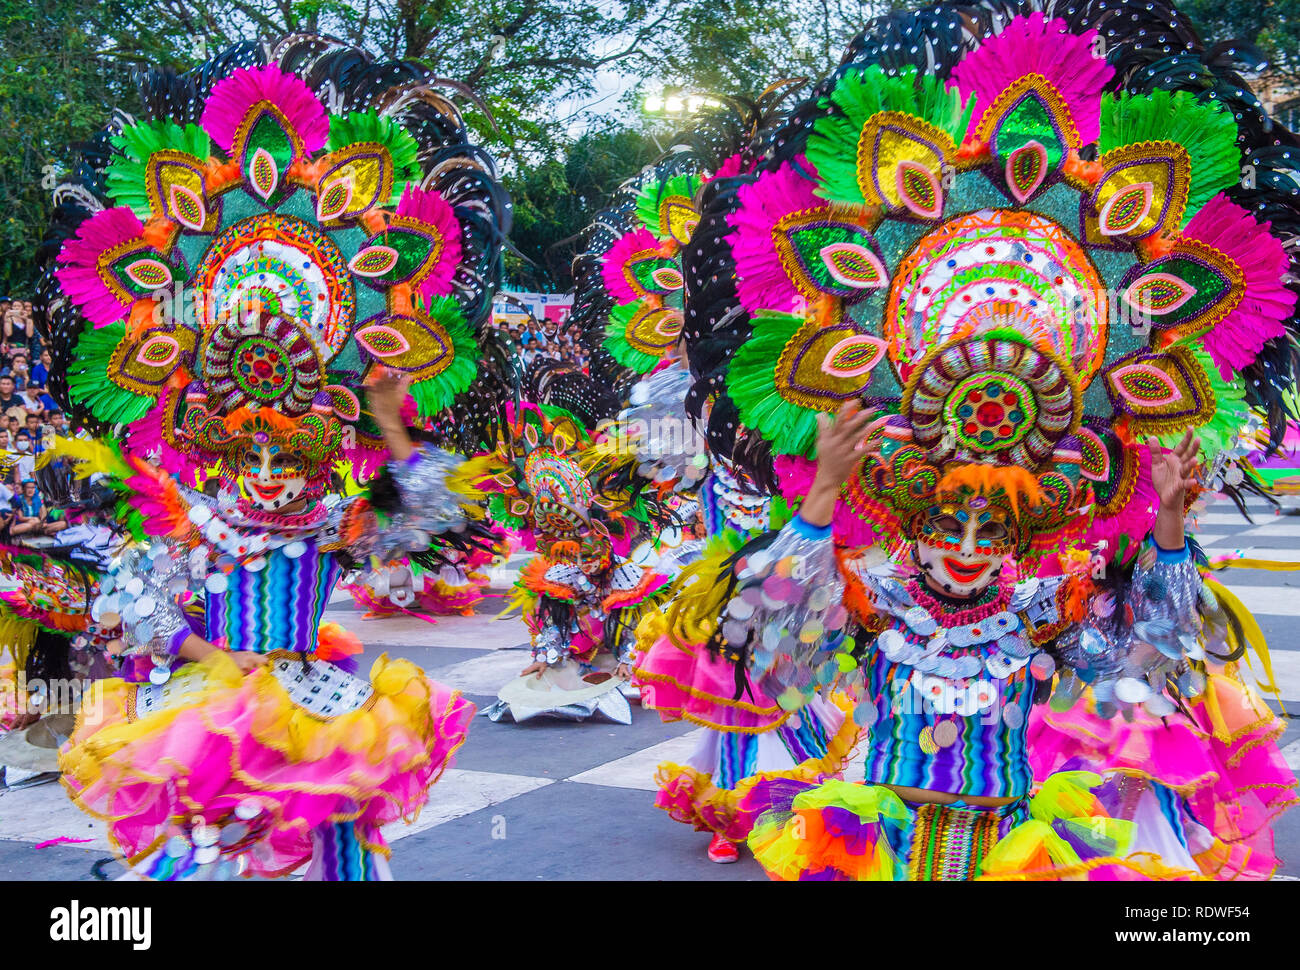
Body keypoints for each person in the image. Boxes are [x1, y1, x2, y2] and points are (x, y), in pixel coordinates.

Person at [675, 1, 1299, 880]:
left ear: (1026, 535)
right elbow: (772, 659)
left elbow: (1154, 664)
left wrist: (1162, 527)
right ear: (909, 512)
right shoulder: (880, 604)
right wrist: (820, 500)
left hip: (1014, 851)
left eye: (992, 529)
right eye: (948, 521)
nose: (966, 548)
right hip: (879, 843)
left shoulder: (1046, 614)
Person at [41, 42, 511, 881]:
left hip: (318, 705)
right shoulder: (193, 506)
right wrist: (211, 661)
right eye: (247, 434)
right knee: (211, 851)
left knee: (339, 842)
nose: (269, 461)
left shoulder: (331, 516)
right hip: (207, 705)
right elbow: (130, 594)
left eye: (292, 437)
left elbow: (439, 524)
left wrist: (390, 420)